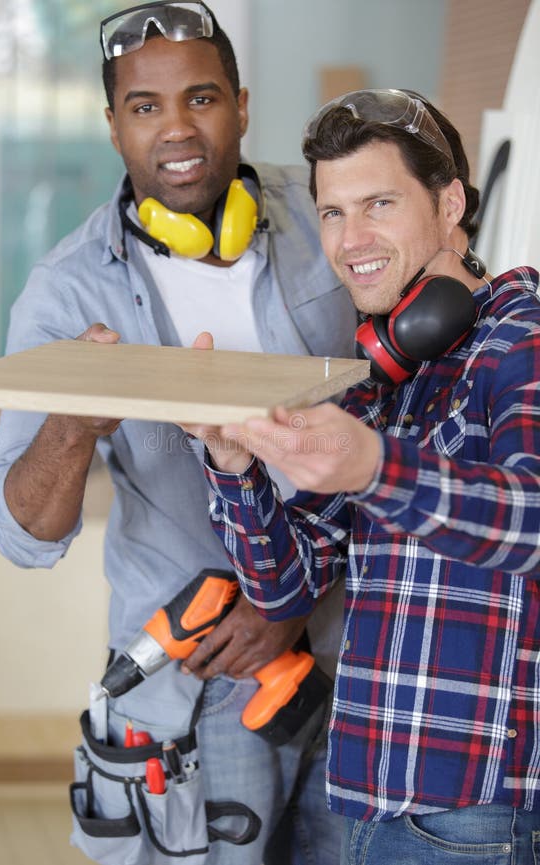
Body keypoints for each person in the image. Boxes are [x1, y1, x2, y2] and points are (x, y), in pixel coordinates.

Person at [0, 3, 357, 864]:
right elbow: (22, 534)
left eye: (202, 97)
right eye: (145, 106)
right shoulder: (69, 290)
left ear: (242, 106)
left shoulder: (326, 219)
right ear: (113, 126)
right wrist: (75, 417)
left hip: (360, 645)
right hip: (204, 682)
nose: (177, 128)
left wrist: (289, 598)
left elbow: (404, 416)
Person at [193, 88, 540, 864]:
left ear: (450, 203)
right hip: (363, 791)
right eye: (332, 212)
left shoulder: (521, 341)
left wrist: (376, 467)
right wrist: (233, 463)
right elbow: (283, 587)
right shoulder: (381, 379)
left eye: (379, 203)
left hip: (471, 815)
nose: (352, 240)